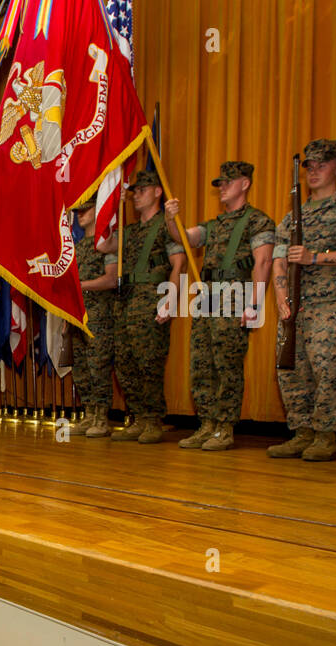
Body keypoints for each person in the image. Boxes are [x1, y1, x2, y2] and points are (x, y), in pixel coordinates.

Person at [269, 139, 336, 462]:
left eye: (322, 165)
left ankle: (324, 435)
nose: (313, 171)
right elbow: (278, 259)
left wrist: (315, 258)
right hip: (295, 306)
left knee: (327, 369)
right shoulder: (292, 217)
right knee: (290, 370)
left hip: (333, 305)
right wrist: (280, 295)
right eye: (309, 167)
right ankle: (301, 433)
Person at [165, 161, 275, 451]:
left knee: (227, 363)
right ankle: (207, 424)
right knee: (201, 361)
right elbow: (184, 238)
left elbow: (263, 262)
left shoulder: (258, 221)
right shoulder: (213, 225)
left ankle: (224, 427)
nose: (222, 187)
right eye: (220, 184)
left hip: (236, 293)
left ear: (245, 183)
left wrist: (255, 304)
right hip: (208, 295)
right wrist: (169, 219)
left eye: (228, 182)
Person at [101, 169, 185, 443]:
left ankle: (153, 419)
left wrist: (170, 300)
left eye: (142, 190)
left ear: (157, 192)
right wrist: (111, 206)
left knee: (149, 362)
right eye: (133, 191)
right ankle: (138, 416)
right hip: (126, 302)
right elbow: (103, 245)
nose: (136, 196)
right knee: (126, 363)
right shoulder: (130, 230)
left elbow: (178, 264)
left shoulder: (165, 225)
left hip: (152, 298)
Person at [70, 202, 119, 437]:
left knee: (98, 366)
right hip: (78, 316)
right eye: (78, 212)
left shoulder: (106, 246)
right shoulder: (77, 247)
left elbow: (111, 279)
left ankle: (101, 416)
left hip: (100, 315)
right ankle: (89, 412)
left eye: (85, 211)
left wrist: (79, 287)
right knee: (81, 368)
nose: (80, 215)